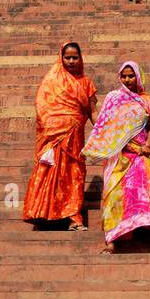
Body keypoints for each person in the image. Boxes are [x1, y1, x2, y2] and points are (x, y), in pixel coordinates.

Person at [83, 61, 150, 251]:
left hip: (139, 154)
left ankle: (138, 226)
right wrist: (118, 142)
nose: (127, 80)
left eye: (131, 76)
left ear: (138, 77)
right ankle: (112, 239)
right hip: (119, 155)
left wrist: (147, 145)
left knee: (138, 193)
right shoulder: (113, 99)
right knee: (114, 194)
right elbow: (105, 125)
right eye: (123, 76)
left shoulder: (145, 100)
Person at [22, 42, 97, 230]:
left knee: (73, 176)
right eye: (67, 57)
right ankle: (44, 215)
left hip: (75, 140)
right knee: (51, 173)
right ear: (61, 58)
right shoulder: (51, 80)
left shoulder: (86, 83)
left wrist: (106, 133)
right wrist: (55, 127)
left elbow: (93, 112)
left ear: (81, 59)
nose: (71, 61)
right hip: (54, 139)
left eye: (75, 57)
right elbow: (42, 107)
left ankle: (74, 218)